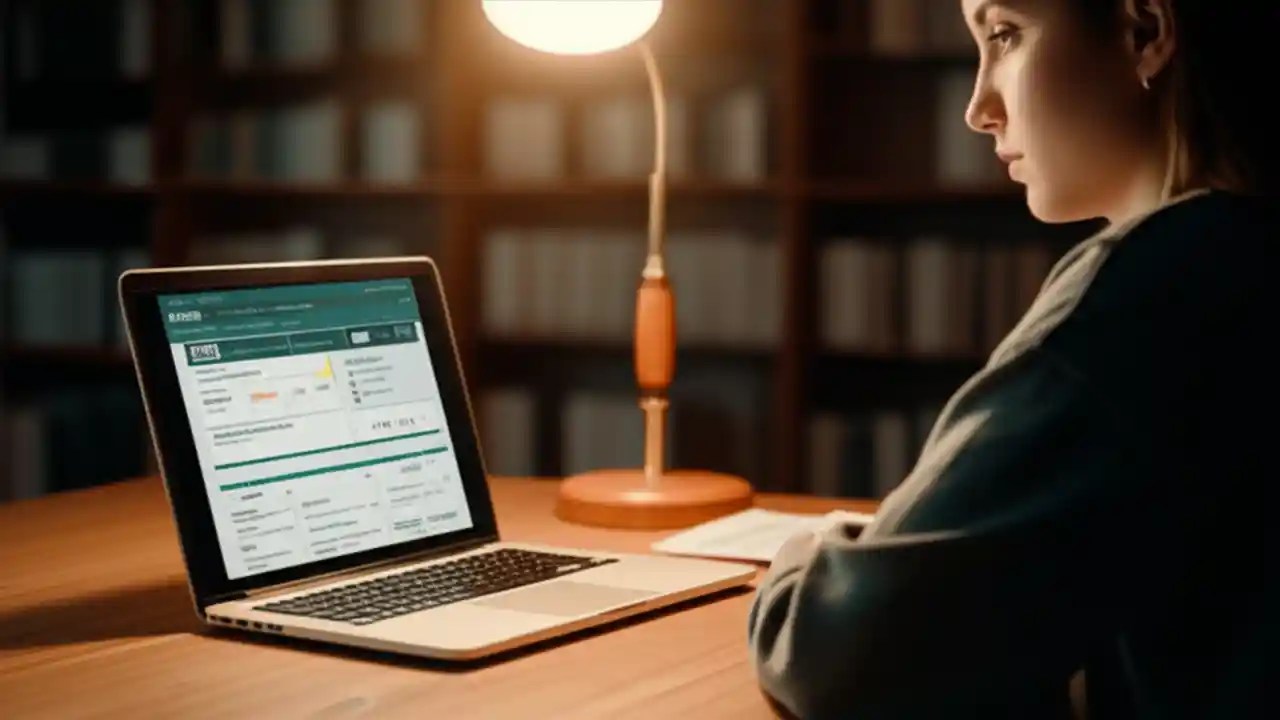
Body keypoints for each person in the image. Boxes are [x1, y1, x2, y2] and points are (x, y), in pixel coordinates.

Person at [747, 0, 1276, 717]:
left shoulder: (1161, 288)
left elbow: (832, 651)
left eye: (1004, 34)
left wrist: (806, 555)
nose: (978, 109)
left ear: (1144, 31)